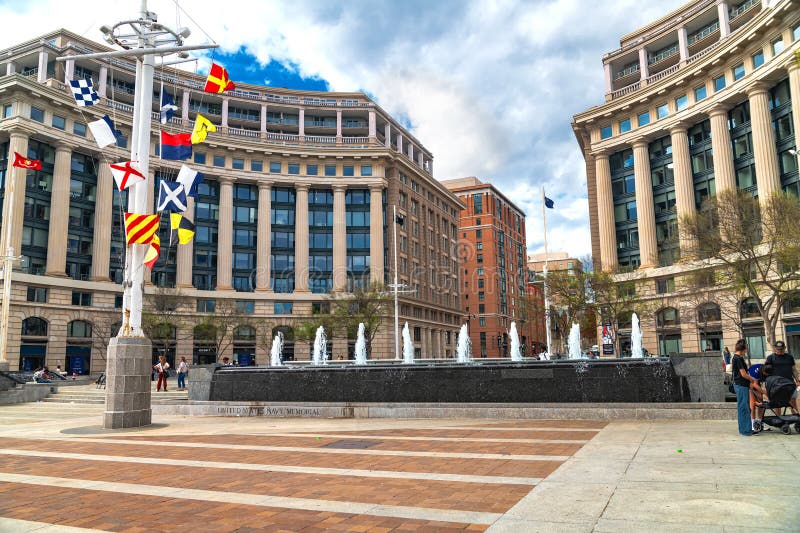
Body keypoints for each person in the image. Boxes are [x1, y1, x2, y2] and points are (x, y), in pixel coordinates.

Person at [731, 339, 761, 436]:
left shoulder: (737, 357)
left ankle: (745, 429)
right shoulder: (738, 358)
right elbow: (743, 374)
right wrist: (752, 379)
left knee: (743, 407)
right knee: (744, 408)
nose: (746, 350)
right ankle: (745, 430)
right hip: (741, 385)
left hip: (741, 385)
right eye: (746, 349)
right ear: (743, 349)